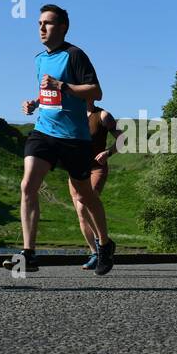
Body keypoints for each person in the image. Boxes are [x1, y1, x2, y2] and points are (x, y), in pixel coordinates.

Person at [3, 5, 114, 275]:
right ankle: (29, 253)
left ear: (63, 27)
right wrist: (35, 102)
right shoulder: (39, 59)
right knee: (28, 184)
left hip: (74, 138)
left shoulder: (75, 55)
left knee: (85, 196)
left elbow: (95, 91)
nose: (42, 28)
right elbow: (48, 93)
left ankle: (105, 244)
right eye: (39, 23)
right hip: (43, 131)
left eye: (48, 23)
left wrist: (63, 86)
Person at [74, 100, 125, 270]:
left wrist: (108, 152)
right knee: (81, 214)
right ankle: (96, 252)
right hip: (76, 169)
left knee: (83, 205)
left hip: (97, 168)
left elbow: (122, 139)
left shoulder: (103, 115)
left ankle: (103, 245)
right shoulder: (72, 115)